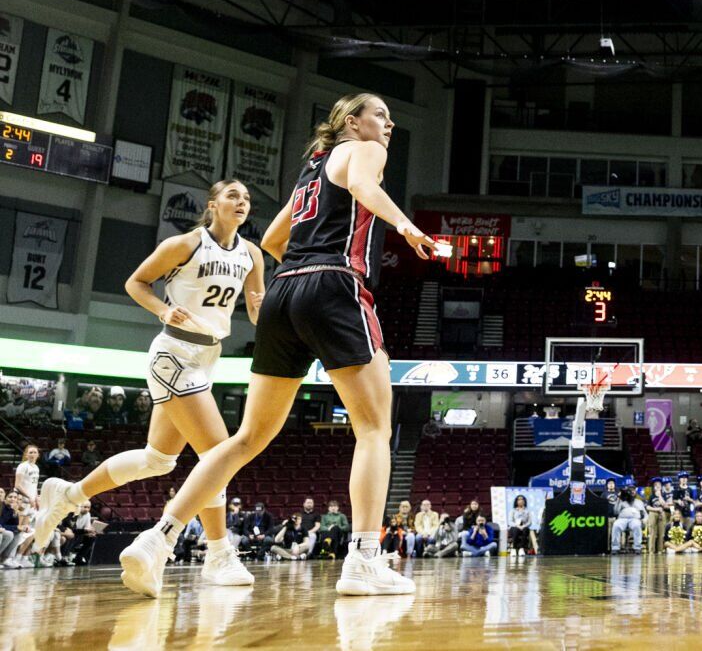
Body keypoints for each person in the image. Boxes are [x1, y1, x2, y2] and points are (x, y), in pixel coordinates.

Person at [119, 94, 437, 598]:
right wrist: (405, 226)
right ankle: (363, 560)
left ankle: (158, 538)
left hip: (284, 291)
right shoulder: (365, 149)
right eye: (380, 114)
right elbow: (362, 186)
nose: (389, 124)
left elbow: (270, 239)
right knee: (375, 428)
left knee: (247, 438)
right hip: (333, 284)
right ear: (351, 122)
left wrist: (306, 264)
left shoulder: (312, 170)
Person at [33, 179, 265, 589]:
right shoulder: (185, 244)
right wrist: (163, 310)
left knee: (158, 460)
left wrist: (275, 315)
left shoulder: (252, 254)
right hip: (174, 353)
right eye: (233, 195)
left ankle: (68, 495)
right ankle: (218, 554)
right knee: (218, 453)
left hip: (208, 358)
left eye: (246, 197)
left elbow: (256, 307)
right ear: (213, 204)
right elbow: (136, 282)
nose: (241, 201)